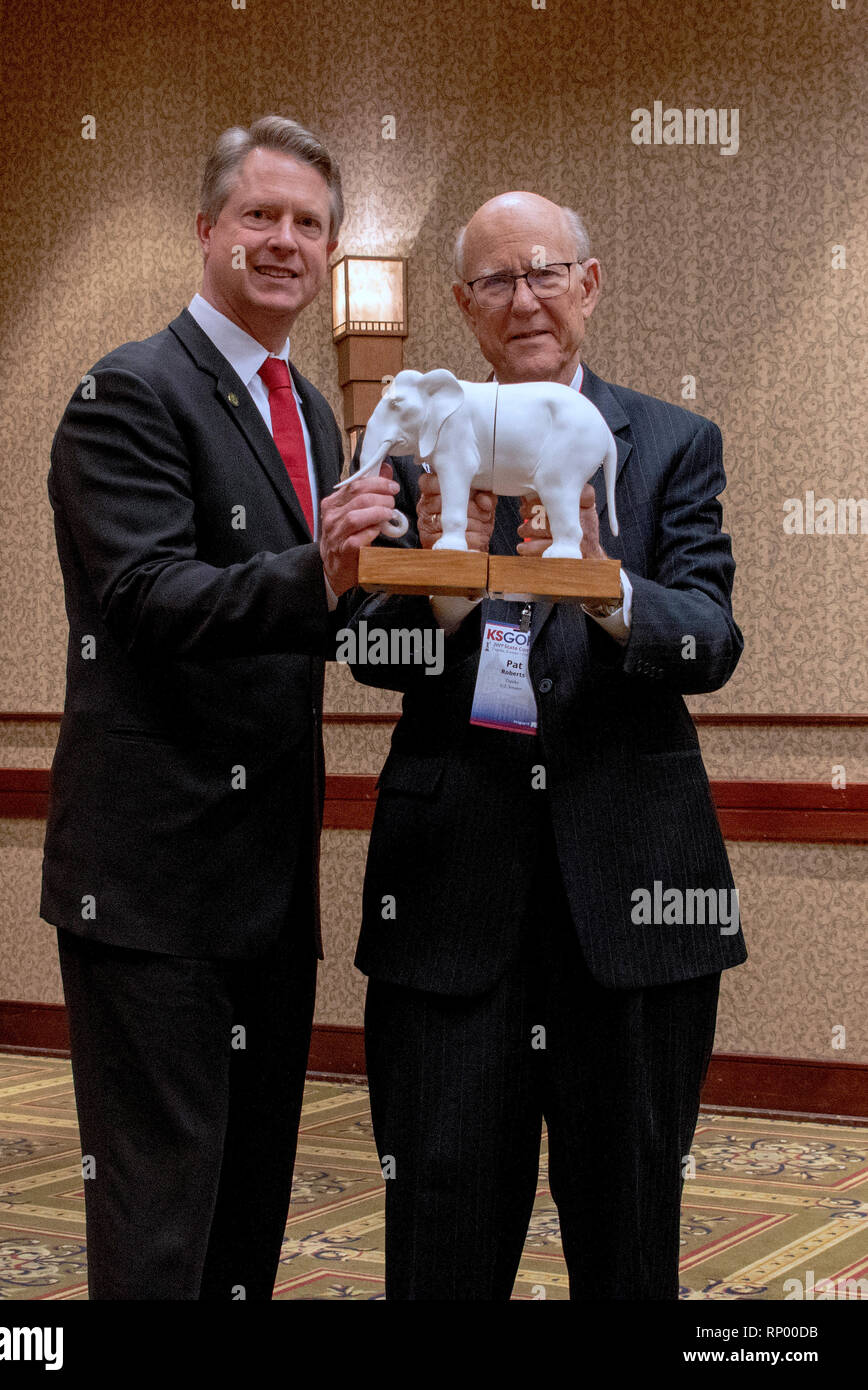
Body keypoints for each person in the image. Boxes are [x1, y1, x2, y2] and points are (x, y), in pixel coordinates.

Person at [347, 191, 747, 1300]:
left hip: (633, 906)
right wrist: (448, 588)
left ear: (588, 282)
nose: (521, 300)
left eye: (542, 274)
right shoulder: (419, 447)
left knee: (628, 1241)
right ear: (461, 307)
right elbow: (365, 649)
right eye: (492, 283)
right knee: (439, 1233)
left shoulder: (669, 444)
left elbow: (709, 640)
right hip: (448, 908)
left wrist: (609, 588)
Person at [40, 115, 399, 1300]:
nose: (283, 240)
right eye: (260, 215)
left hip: (267, 878)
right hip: (151, 883)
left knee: (249, 1205)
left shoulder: (307, 408)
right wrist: (324, 572)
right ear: (206, 229)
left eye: (307, 222)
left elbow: (313, 619)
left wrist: (460, 577)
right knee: (159, 1218)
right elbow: (148, 597)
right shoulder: (129, 392)